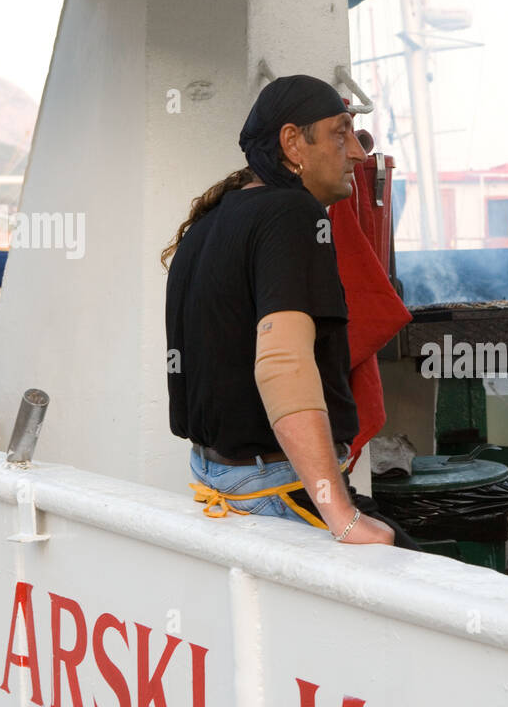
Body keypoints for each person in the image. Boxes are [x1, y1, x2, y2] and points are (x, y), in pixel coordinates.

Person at [163, 74, 412, 547]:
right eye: (341, 134)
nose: (358, 154)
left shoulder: (208, 224)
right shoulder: (295, 216)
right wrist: (343, 515)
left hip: (218, 483)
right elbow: (282, 365)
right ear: (293, 142)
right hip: (276, 490)